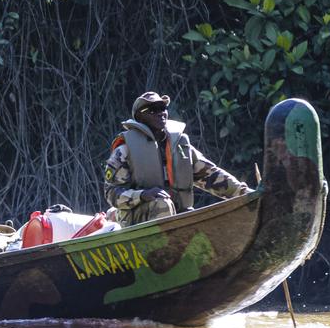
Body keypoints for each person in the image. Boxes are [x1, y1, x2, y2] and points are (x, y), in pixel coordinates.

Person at [104, 92, 251, 227]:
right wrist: (142, 195)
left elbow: (212, 175)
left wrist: (246, 194)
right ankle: (160, 253)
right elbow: (111, 193)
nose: (161, 113)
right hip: (136, 222)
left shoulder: (179, 146)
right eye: (153, 110)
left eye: (163, 108)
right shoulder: (124, 150)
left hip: (176, 216)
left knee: (194, 215)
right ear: (140, 117)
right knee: (162, 204)